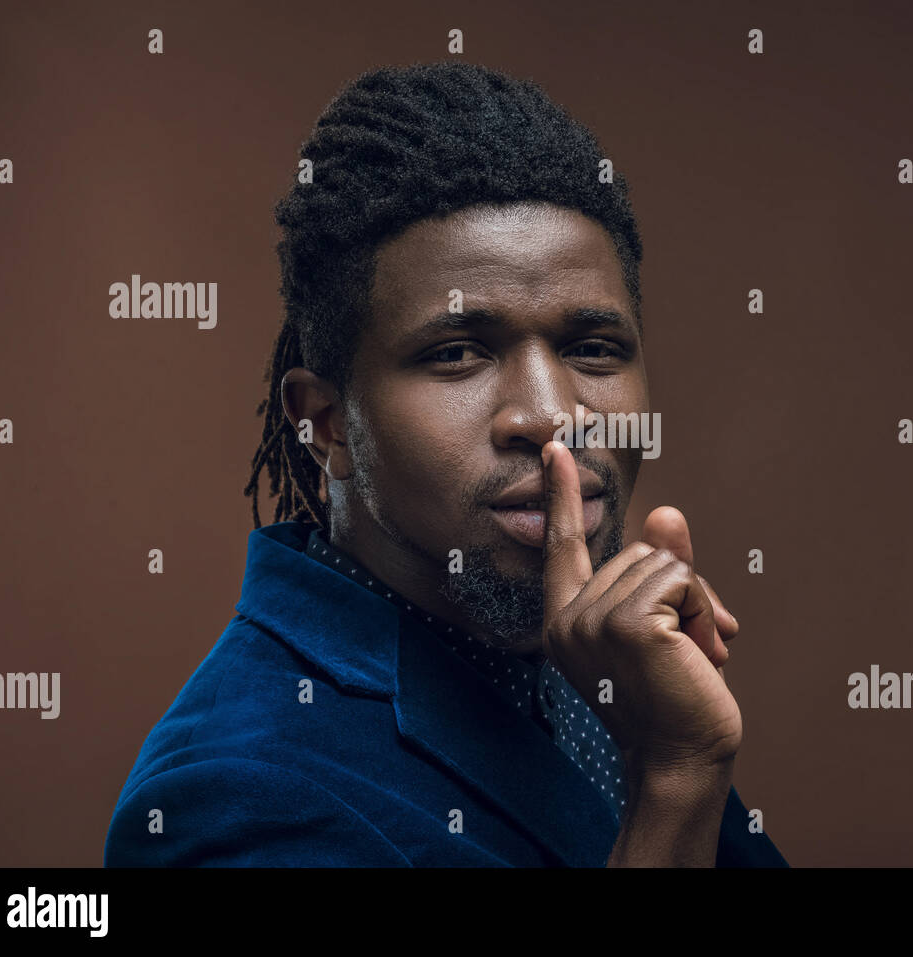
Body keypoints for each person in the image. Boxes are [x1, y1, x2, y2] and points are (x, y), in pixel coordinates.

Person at [104, 60, 787, 867]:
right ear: (327, 425)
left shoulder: (602, 664)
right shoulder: (235, 796)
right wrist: (675, 783)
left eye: (593, 347)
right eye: (457, 353)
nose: (551, 416)